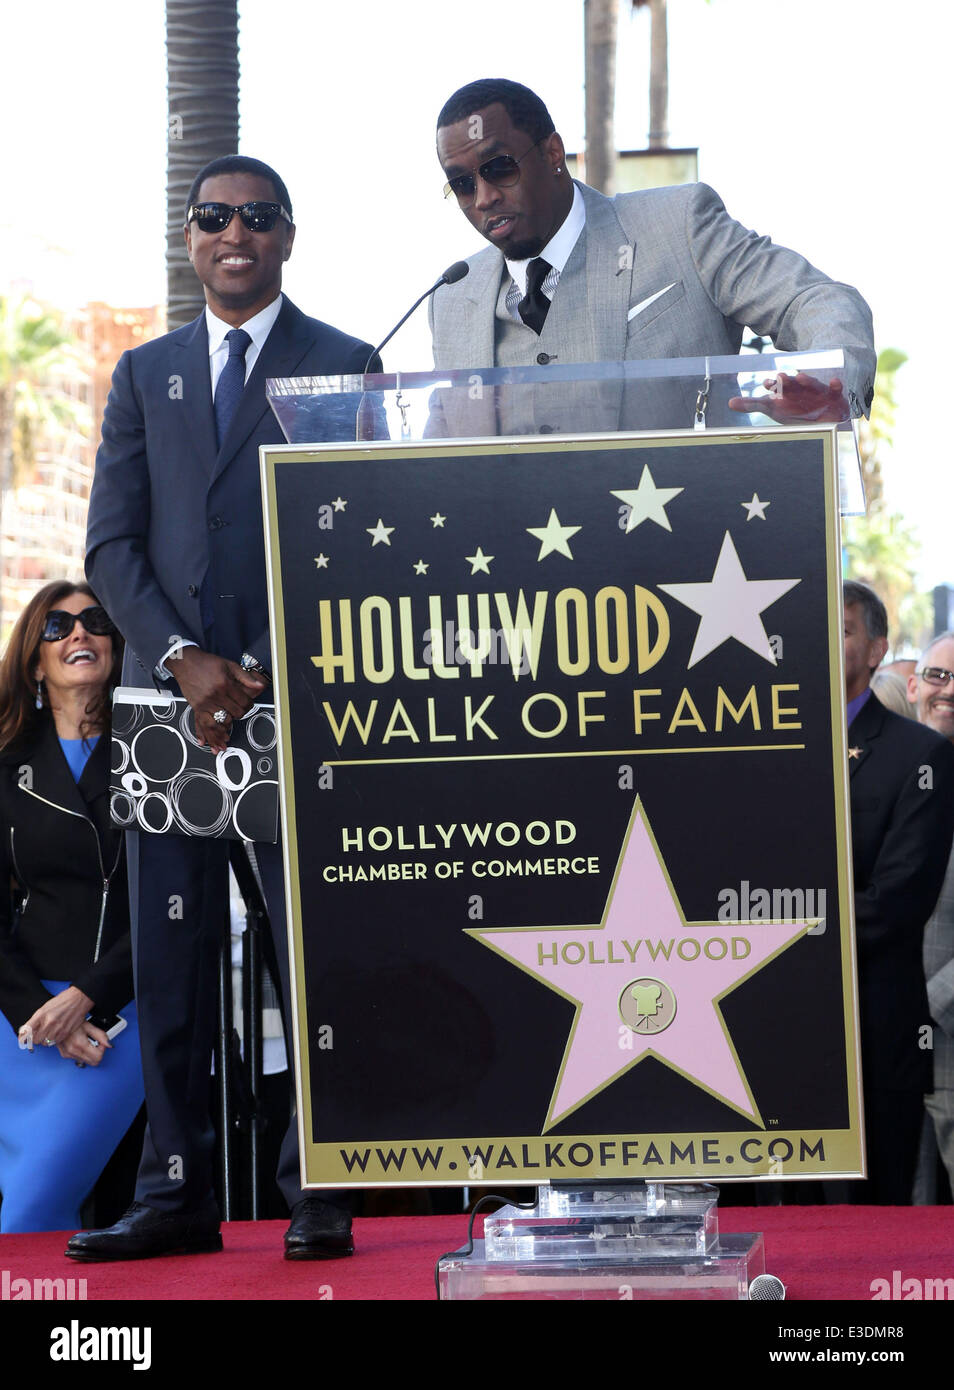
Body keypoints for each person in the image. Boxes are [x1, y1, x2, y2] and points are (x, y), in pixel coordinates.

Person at [71, 156, 379, 1262]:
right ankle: (174, 1189)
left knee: (310, 957)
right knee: (171, 962)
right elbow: (111, 543)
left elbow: (361, 538)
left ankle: (322, 1188)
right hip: (166, 710)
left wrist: (249, 663)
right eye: (212, 217)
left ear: (287, 236)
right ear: (190, 239)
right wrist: (186, 656)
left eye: (255, 216)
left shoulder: (345, 364)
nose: (232, 232)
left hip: (293, 706)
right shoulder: (142, 373)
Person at [429, 78, 876, 433]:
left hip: (685, 537)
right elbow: (435, 463)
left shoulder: (678, 225)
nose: (484, 197)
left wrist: (826, 384)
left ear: (552, 154)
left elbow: (817, 300)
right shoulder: (451, 299)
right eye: (464, 184)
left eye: (499, 167)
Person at [0, 582, 143, 1232]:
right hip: (21, 1023)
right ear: (35, 659)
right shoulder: (5, 768)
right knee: (23, 1208)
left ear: (117, 646)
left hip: (123, 1014)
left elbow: (174, 907)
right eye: (57, 626)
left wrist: (87, 994)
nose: (79, 634)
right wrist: (35, 1007)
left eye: (95, 622)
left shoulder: (156, 757)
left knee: (31, 1208)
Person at [837, 583, 954, 1202]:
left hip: (876, 1033)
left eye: (843, 628)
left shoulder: (920, 756)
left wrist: (780, 935)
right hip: (765, 1031)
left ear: (878, 648)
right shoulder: (757, 743)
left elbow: (899, 901)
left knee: (867, 1224)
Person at [907, 632, 954, 1199]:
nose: (947, 691)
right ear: (914, 685)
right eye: (938, 676)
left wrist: (931, 1001)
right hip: (887, 1039)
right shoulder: (870, 773)